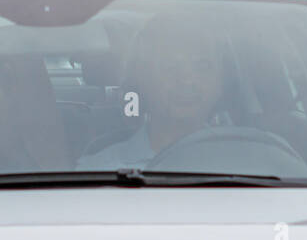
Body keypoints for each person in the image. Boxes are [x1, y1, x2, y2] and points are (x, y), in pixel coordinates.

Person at [77, 15, 233, 169]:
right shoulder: (99, 171)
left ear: (219, 84)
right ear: (142, 79)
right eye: (170, 66)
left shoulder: (244, 162)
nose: (187, 80)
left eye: (202, 66)